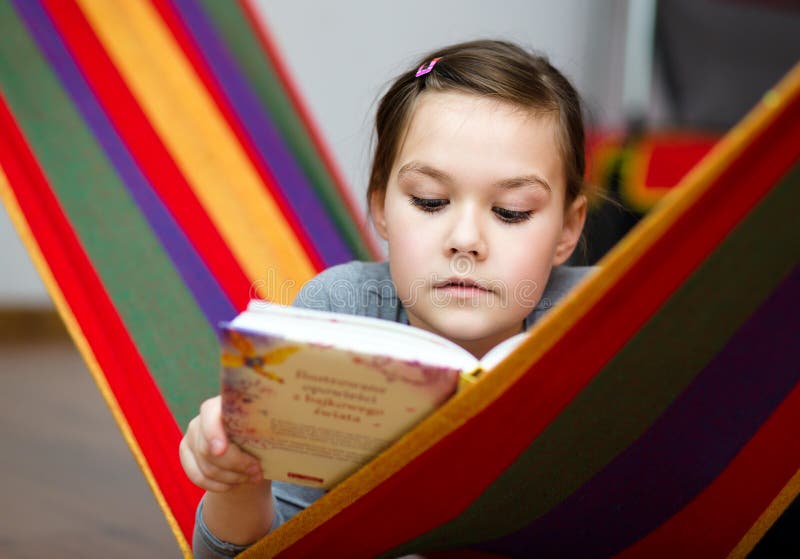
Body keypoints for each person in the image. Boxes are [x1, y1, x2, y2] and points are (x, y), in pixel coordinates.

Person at [181, 39, 594, 558]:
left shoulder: (611, 317)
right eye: (430, 201)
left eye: (511, 211)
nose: (466, 239)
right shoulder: (340, 313)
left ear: (567, 228)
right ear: (381, 208)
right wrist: (238, 479)